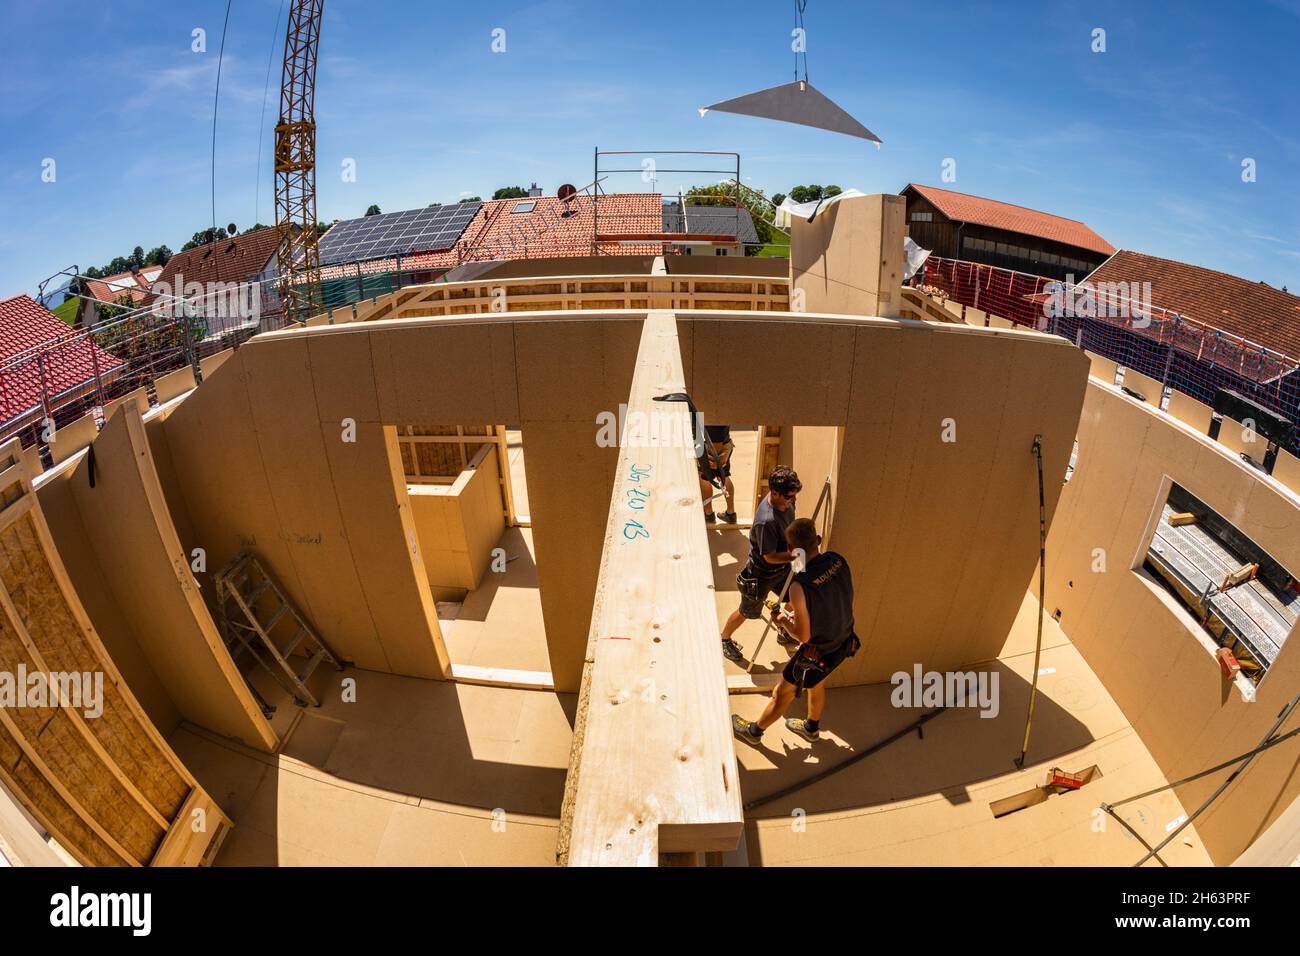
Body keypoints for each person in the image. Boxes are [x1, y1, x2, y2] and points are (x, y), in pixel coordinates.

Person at [732, 517, 858, 744]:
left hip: (817, 651)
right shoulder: (837, 560)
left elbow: (803, 636)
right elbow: (829, 597)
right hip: (843, 639)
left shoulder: (799, 586)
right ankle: (811, 728)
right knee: (817, 680)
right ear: (818, 540)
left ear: (790, 549)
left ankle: (753, 732)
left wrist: (783, 620)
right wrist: (799, 614)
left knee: (781, 694)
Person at [719, 465, 801, 662]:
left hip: (782, 568)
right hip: (761, 573)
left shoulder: (787, 503)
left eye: (794, 495)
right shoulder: (767, 521)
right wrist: (795, 555)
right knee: (746, 612)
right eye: (789, 496)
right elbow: (769, 557)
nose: (793, 500)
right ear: (775, 492)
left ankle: (784, 630)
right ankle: (724, 640)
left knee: (797, 598)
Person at [698, 424, 736, 524]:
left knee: (704, 477)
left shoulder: (704, 408)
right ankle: (731, 513)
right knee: (724, 475)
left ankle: (708, 514)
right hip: (724, 442)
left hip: (705, 443)